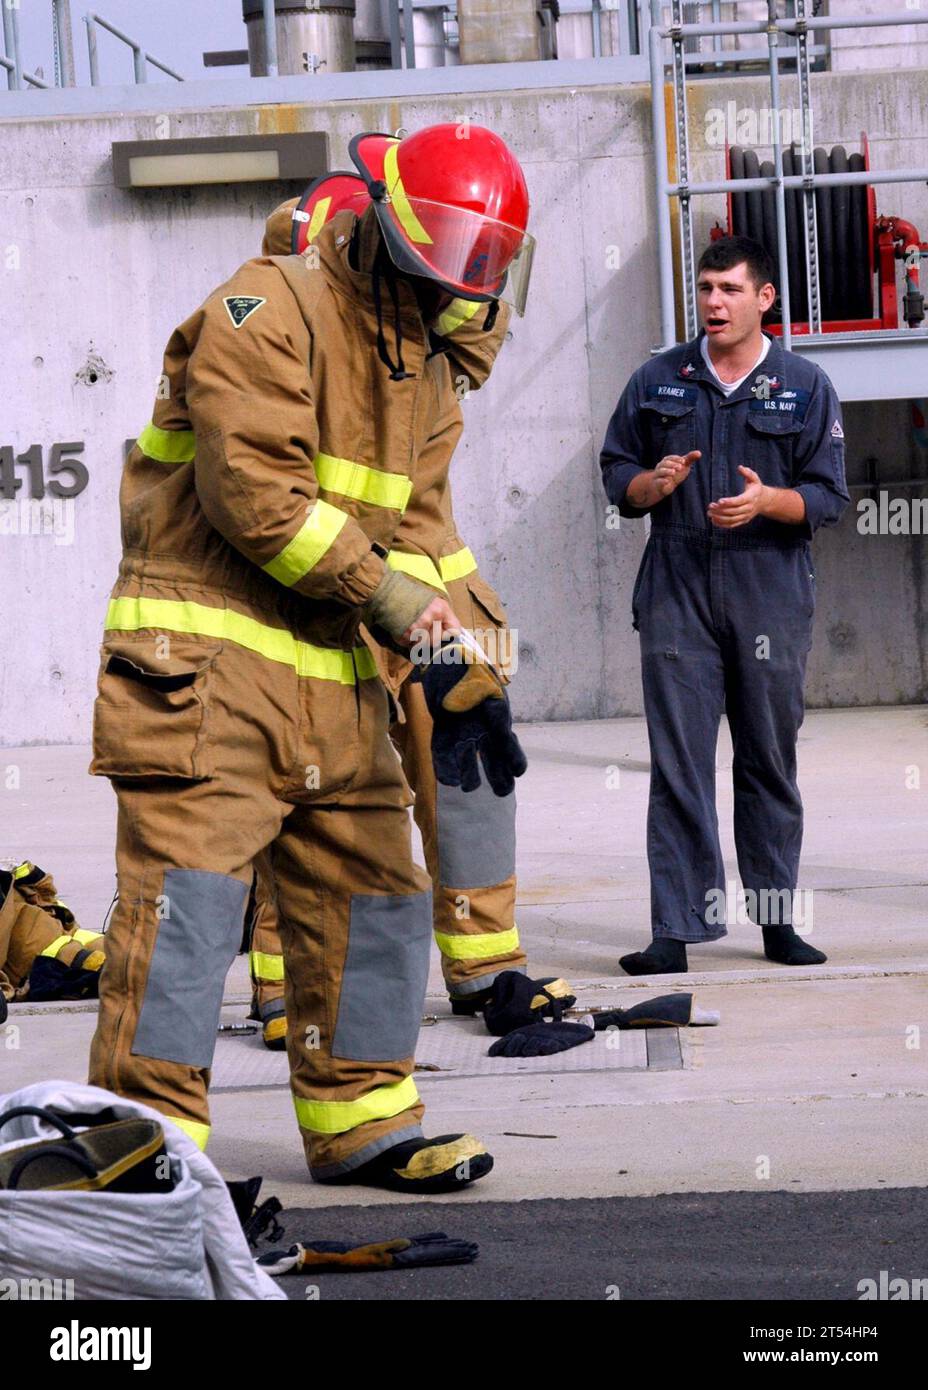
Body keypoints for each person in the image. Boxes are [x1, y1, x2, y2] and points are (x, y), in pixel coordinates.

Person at [87, 123, 535, 1192]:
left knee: (371, 895)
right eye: (448, 278)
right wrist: (394, 606)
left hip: (334, 674)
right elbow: (254, 497)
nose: (460, 305)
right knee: (189, 913)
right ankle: (142, 1157)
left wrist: (465, 672)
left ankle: (363, 1120)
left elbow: (423, 535)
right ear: (388, 229)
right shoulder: (265, 306)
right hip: (206, 666)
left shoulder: (420, 359)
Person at [245, 172, 538, 1051]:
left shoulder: (437, 338)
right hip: (347, 596)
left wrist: (461, 252)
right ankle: (284, 985)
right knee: (319, 788)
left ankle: (488, 964)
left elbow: (482, 333)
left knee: (474, 778)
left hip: (443, 596)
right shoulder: (295, 324)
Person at [600, 235, 849, 975]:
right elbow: (618, 472)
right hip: (677, 584)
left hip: (768, 587)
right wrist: (653, 486)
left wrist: (772, 500)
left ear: (764, 298)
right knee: (678, 763)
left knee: (768, 759)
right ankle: (674, 930)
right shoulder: (658, 378)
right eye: (706, 288)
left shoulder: (804, 384)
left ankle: (777, 924)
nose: (714, 302)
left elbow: (831, 497)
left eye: (730, 289)